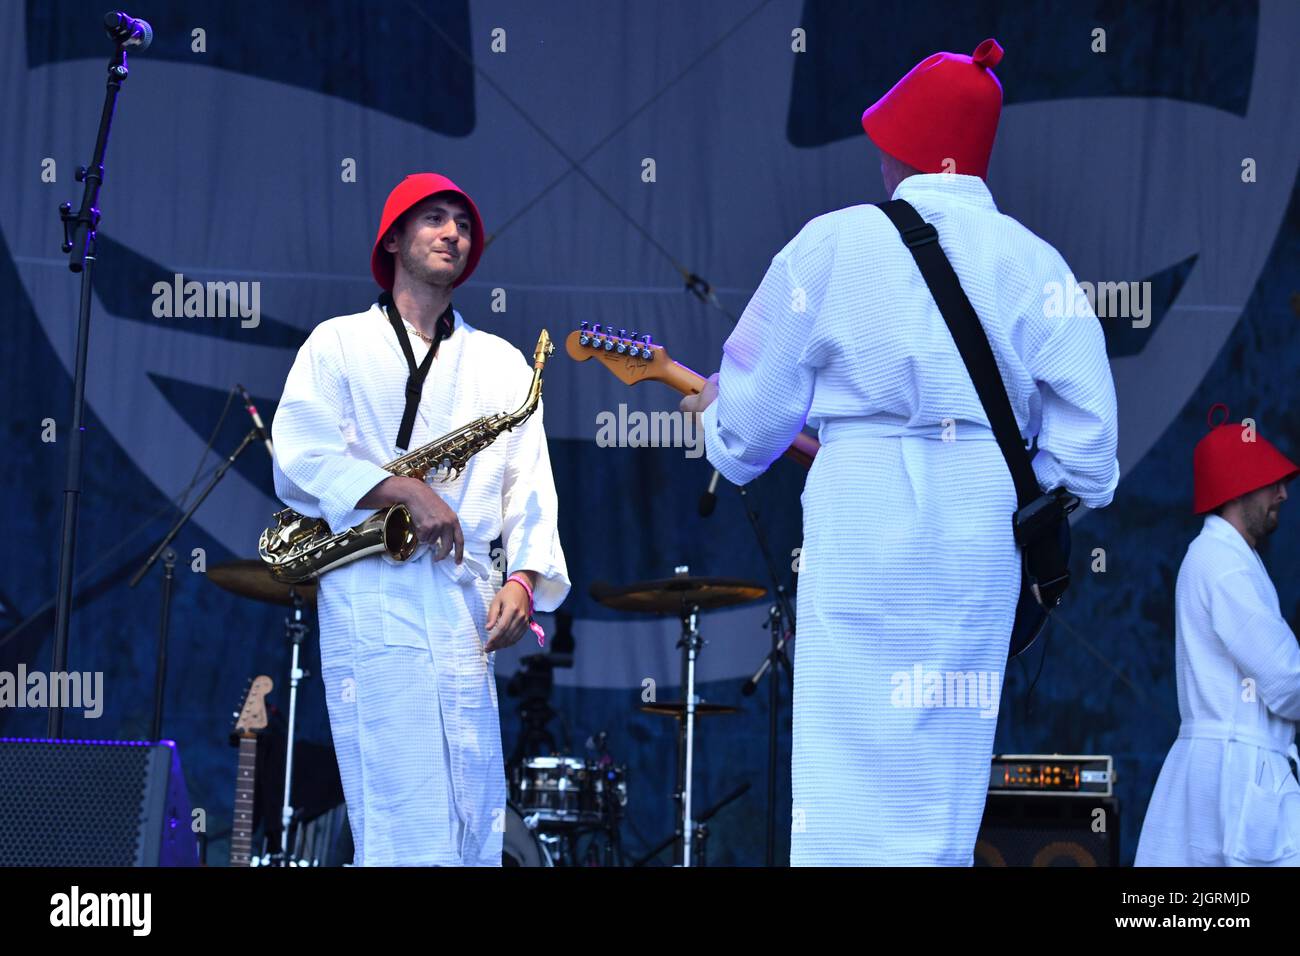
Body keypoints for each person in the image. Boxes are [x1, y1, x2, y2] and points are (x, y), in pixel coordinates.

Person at [680, 39, 1119, 864]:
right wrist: (1001, 481)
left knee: (846, 787)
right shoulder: (1037, 263)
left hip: (864, 520)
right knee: (942, 797)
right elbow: (1091, 459)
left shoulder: (835, 244)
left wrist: (720, 418)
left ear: (900, 148)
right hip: (981, 540)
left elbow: (745, 434)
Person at [271, 173, 570, 865]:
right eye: (433, 219)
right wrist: (401, 489)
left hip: (464, 601)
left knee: (474, 812)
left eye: (462, 224)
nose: (451, 234)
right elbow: (299, 457)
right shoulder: (336, 343)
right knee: (400, 816)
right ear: (395, 238)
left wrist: (523, 582)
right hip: (372, 586)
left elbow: (531, 487)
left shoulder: (502, 364)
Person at [1136, 405, 1300, 866]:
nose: (1283, 494)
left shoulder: (1223, 557)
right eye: (1272, 482)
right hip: (1236, 768)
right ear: (1238, 487)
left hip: (1228, 762)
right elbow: (1287, 681)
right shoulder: (1224, 562)